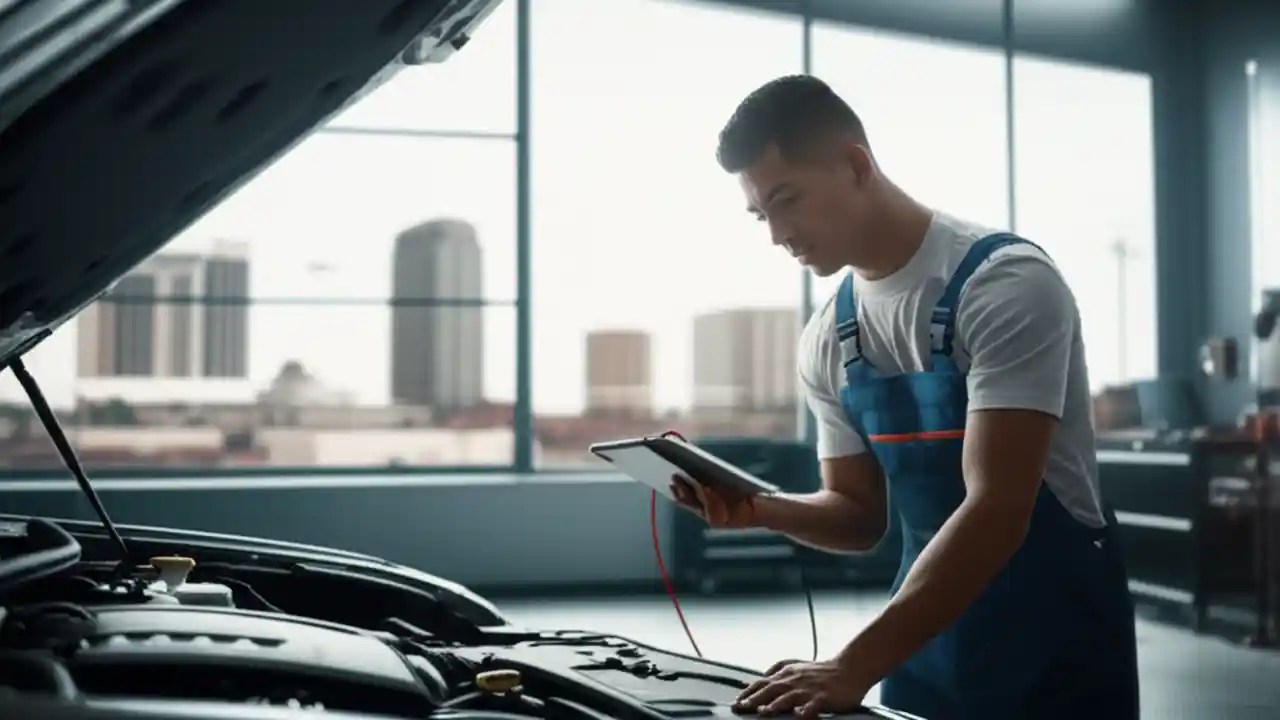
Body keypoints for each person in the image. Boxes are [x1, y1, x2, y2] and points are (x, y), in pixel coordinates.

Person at [669, 74, 1140, 720]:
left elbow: (999, 510)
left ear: (856, 165)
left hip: (1054, 647)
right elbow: (858, 516)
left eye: (786, 199)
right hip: (920, 648)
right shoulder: (828, 339)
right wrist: (759, 510)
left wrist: (852, 665)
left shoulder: (1005, 284)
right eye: (761, 214)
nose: (777, 234)